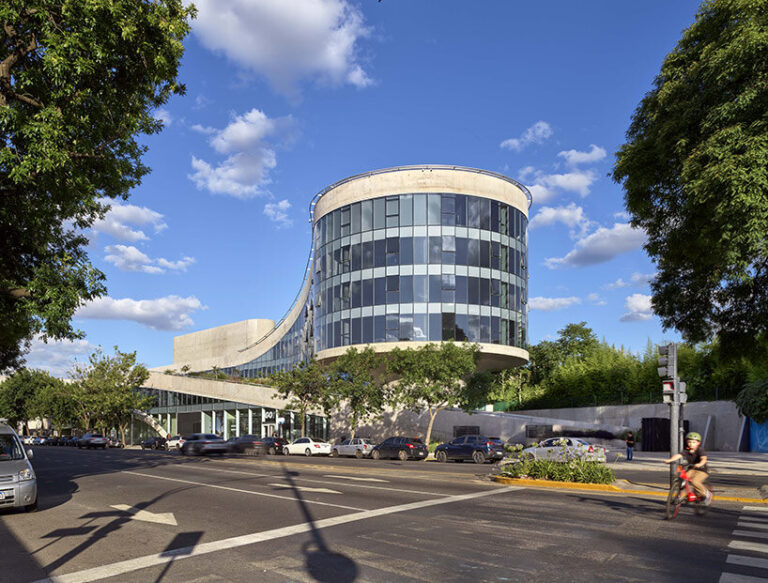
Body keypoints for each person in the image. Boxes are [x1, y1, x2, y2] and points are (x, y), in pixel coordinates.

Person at [664, 431, 711, 505]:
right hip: (692, 469)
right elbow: (678, 455)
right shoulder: (686, 450)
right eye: (689, 442)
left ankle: (706, 493)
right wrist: (670, 460)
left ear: (698, 443)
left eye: (693, 442)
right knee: (683, 479)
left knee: (695, 481)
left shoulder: (700, 450)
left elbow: (704, 458)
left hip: (702, 470)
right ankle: (681, 496)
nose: (691, 444)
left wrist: (700, 464)